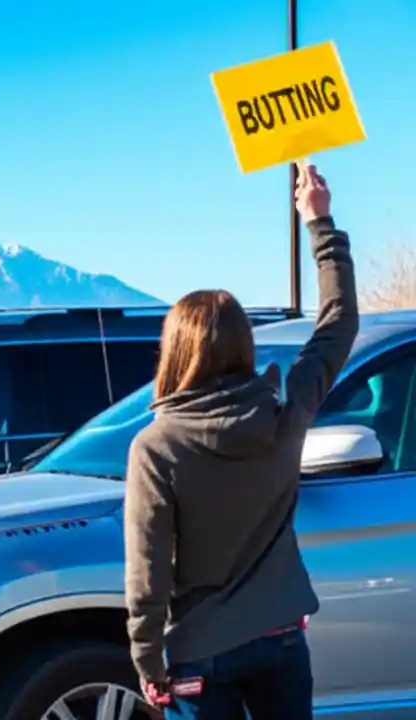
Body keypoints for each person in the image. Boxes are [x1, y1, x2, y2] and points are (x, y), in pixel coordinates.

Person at [123, 163, 358, 720]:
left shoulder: (156, 448)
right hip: (281, 639)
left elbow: (146, 575)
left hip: (198, 655)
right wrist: (320, 224)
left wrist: (147, 660)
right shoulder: (284, 413)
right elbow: (338, 323)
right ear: (244, 347)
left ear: (175, 351)